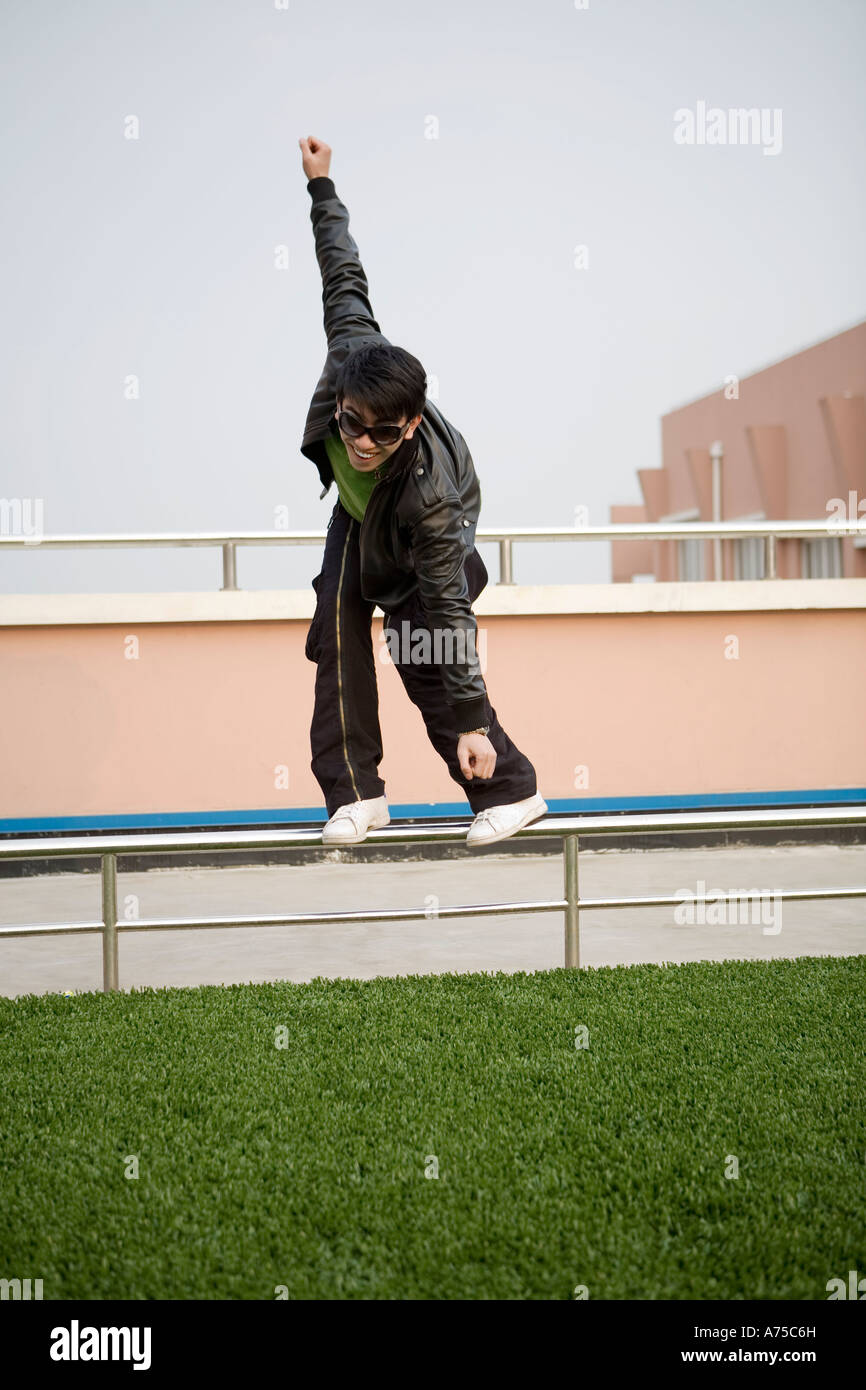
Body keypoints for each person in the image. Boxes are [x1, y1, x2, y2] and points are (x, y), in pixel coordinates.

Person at [298, 135, 548, 848]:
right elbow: (341, 270)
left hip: (421, 539)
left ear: (409, 425)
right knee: (335, 636)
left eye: (382, 434)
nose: (360, 443)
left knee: (424, 648)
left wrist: (473, 720)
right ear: (342, 396)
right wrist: (322, 184)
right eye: (351, 426)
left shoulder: (430, 497)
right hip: (357, 520)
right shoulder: (351, 352)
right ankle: (357, 797)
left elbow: (450, 610)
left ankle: (511, 790)